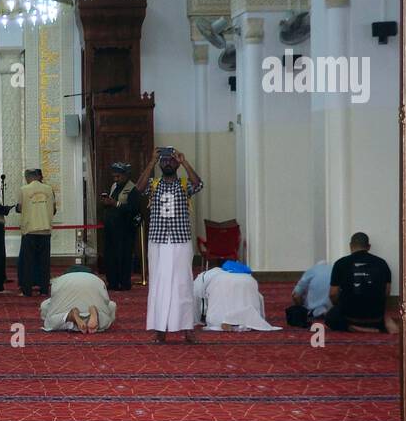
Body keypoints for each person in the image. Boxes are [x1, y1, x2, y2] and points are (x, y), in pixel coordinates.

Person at [137, 147, 204, 343]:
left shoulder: (184, 185)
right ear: (159, 164)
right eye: (163, 160)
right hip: (157, 242)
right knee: (158, 285)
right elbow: (138, 189)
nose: (167, 163)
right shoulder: (153, 184)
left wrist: (185, 162)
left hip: (180, 241)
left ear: (176, 163)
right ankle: (160, 328)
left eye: (171, 160)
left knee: (183, 284)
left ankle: (187, 328)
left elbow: (199, 184)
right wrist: (151, 161)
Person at [326, 233, 397, 333]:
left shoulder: (340, 263)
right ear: (368, 247)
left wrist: (338, 307)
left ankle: (354, 328)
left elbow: (332, 294)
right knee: (380, 313)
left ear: (350, 246)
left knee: (330, 317)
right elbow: (387, 292)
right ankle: (380, 324)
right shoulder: (382, 263)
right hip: (375, 317)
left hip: (350, 317)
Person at [193, 260, 280, 331]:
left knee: (218, 316)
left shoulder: (204, 276)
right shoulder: (248, 277)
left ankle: (227, 321)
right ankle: (237, 321)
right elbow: (259, 298)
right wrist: (261, 317)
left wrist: (196, 319)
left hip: (218, 315)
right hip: (248, 289)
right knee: (246, 313)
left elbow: (195, 297)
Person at [39, 265, 116, 335]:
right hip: (93, 289)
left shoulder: (60, 280)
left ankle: (69, 316)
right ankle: (94, 314)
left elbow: (53, 299)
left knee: (49, 318)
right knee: (110, 309)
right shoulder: (97, 280)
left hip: (64, 301)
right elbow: (106, 300)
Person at [16, 168, 55, 297]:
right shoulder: (49, 189)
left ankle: (27, 290)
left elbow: (20, 208)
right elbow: (54, 209)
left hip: (30, 230)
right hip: (45, 230)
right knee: (44, 262)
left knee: (28, 262)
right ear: (38, 177)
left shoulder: (24, 189)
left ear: (27, 177)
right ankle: (44, 290)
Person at [101, 161, 139, 291]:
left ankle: (124, 283)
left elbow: (133, 209)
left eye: (118, 177)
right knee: (111, 256)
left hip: (125, 230)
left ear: (125, 175)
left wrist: (116, 204)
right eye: (114, 177)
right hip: (112, 229)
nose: (116, 179)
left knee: (123, 256)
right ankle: (112, 282)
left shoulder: (132, 189)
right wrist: (107, 203)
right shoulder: (114, 186)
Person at [287, 260, 333, 325]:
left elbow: (295, 295)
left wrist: (300, 306)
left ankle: (317, 311)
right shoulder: (334, 269)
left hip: (314, 308)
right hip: (333, 306)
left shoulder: (311, 271)